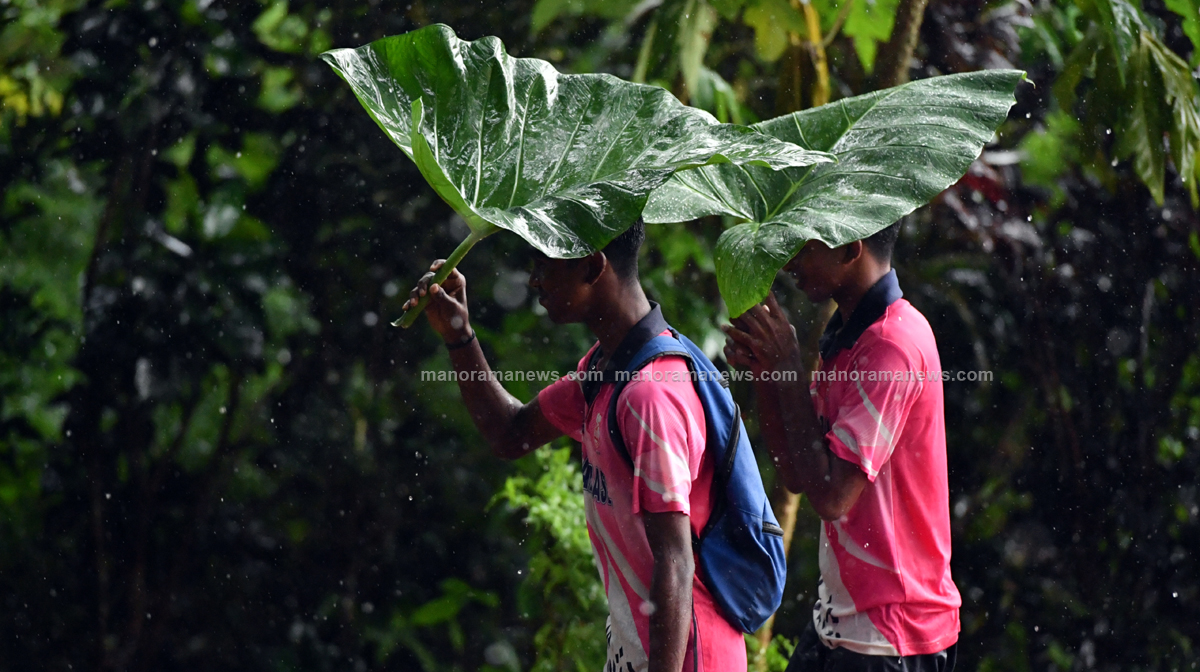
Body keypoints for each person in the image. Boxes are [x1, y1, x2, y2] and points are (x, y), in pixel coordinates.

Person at [404, 220, 746, 672]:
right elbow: (511, 432)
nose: (534, 279)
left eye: (546, 260)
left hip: (691, 658)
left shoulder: (650, 394)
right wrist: (459, 335)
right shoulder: (605, 371)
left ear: (592, 268)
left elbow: (675, 559)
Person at [722, 222, 961, 672]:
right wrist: (769, 372)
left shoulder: (891, 344)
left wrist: (789, 365)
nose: (791, 262)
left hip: (892, 635)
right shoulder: (850, 336)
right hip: (844, 624)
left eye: (806, 247)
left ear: (851, 248)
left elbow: (832, 496)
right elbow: (797, 473)